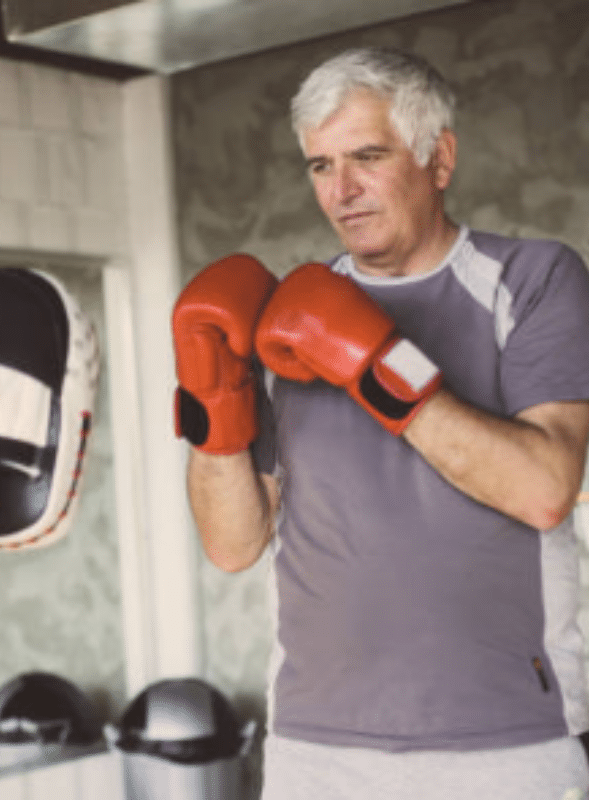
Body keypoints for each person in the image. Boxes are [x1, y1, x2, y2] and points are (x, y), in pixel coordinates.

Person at [173, 46, 589, 799]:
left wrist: (375, 361)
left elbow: (545, 489)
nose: (343, 191)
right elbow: (233, 544)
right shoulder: (285, 319)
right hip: (315, 746)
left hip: (502, 742)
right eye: (321, 166)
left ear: (439, 157)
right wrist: (213, 399)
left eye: (368, 156)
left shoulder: (532, 280)